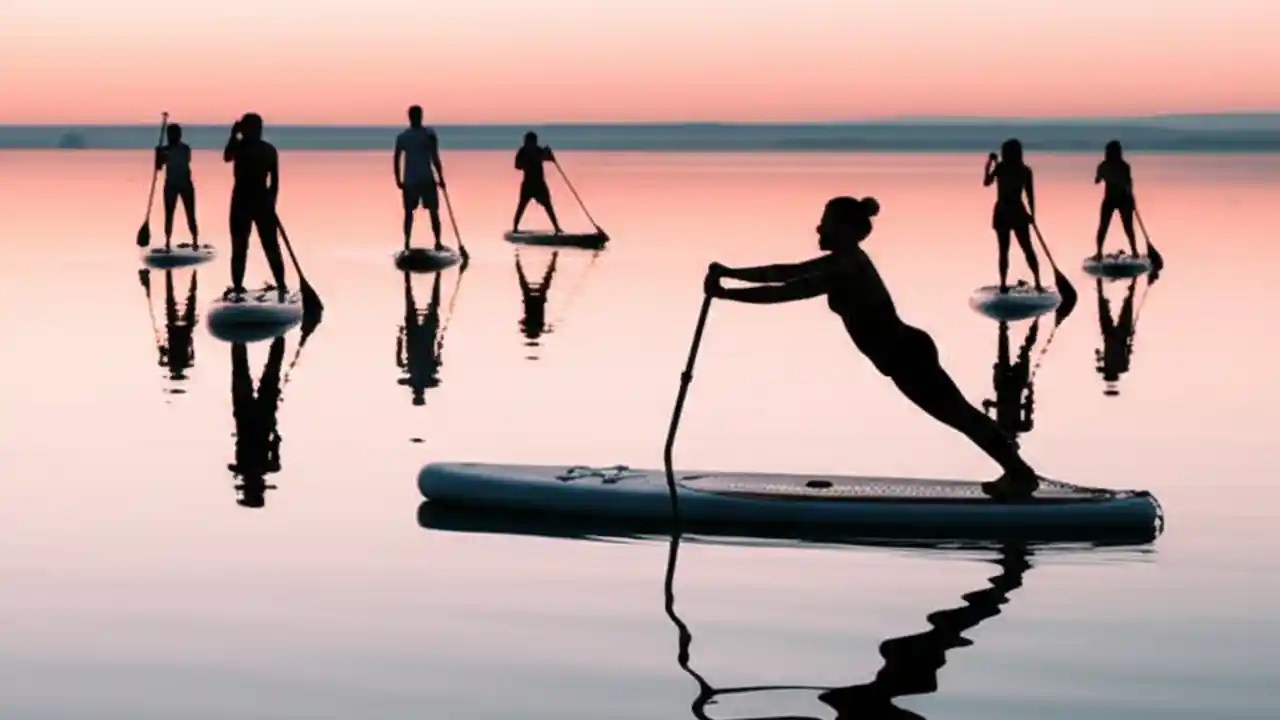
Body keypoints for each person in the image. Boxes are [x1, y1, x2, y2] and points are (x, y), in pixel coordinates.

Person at [704, 196, 1040, 499]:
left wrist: (727, 293)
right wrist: (730, 273)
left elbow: (785, 291)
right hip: (904, 354)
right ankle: (1017, 471)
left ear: (845, 229)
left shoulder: (845, 267)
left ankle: (1020, 474)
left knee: (961, 417)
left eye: (825, 222)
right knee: (961, 415)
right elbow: (785, 273)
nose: (819, 228)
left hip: (906, 356)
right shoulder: (842, 260)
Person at [223, 113, 287, 300]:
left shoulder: (256, 149)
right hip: (247, 202)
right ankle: (238, 287)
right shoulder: (246, 148)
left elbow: (274, 181)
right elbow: (227, 157)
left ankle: (280, 284)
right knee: (242, 247)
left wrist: (234, 135)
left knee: (267, 246)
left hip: (254, 202)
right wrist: (271, 201)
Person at [228, 337, 284, 508]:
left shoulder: (268, 466)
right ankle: (238, 338)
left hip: (261, 417)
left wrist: (274, 434)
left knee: (272, 369)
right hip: (247, 415)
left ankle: (279, 337)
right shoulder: (244, 468)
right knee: (241, 369)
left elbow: (276, 441)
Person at [983, 139, 1043, 293]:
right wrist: (990, 163)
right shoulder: (1007, 168)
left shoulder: (1014, 169)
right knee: (1011, 250)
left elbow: (1030, 195)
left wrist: (990, 163)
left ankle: (1035, 282)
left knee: (1024, 249)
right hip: (1008, 212)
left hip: (1011, 212)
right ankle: (1009, 284)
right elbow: (987, 182)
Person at [393, 105, 446, 250]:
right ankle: (408, 243)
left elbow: (434, 158)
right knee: (411, 213)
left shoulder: (427, 135)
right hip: (415, 181)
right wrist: (398, 179)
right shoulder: (405, 137)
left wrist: (441, 178)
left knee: (431, 212)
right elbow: (397, 158)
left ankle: (436, 242)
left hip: (423, 180)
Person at [154, 123, 198, 250]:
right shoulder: (165, 150)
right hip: (171, 185)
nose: (171, 137)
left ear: (179, 135)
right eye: (170, 134)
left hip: (185, 184)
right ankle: (167, 241)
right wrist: (158, 155)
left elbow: (185, 159)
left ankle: (195, 240)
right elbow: (158, 167)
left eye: (173, 134)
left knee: (190, 214)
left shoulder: (185, 149)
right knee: (169, 214)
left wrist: (162, 153)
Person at [1094, 140, 1139, 259]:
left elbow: (1128, 184)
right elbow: (1097, 180)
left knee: (1128, 227)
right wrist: (1100, 176)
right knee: (1103, 227)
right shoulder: (1105, 166)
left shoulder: (1123, 166)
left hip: (1123, 199)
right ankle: (1099, 253)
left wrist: (1132, 199)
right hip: (1111, 199)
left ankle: (1134, 251)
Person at [512, 132, 563, 234]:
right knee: (521, 206)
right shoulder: (522, 151)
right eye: (529, 142)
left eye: (533, 142)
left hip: (539, 183)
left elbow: (548, 158)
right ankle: (515, 228)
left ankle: (557, 228)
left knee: (548, 205)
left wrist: (550, 155)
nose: (531, 144)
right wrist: (528, 161)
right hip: (528, 184)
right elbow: (517, 166)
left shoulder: (538, 150)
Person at [517, 250, 558, 343]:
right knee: (547, 278)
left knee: (547, 279)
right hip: (534, 302)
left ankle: (554, 259)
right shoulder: (534, 326)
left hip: (535, 302)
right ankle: (554, 259)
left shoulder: (537, 327)